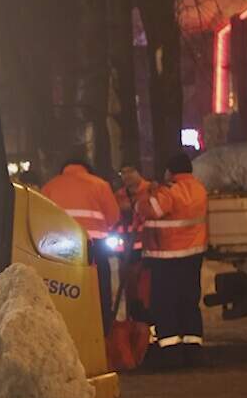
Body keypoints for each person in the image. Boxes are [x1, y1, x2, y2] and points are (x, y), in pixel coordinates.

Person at [123, 151, 209, 368]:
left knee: (164, 304)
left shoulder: (170, 191)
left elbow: (151, 210)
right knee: (189, 302)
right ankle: (193, 349)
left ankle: (170, 352)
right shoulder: (199, 189)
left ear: (171, 171)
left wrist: (143, 198)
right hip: (192, 256)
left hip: (165, 258)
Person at [41, 154, 122, 323]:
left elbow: (42, 220)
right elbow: (114, 217)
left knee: (64, 289)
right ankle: (101, 326)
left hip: (59, 248)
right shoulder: (100, 185)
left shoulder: (50, 186)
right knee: (99, 289)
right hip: (95, 246)